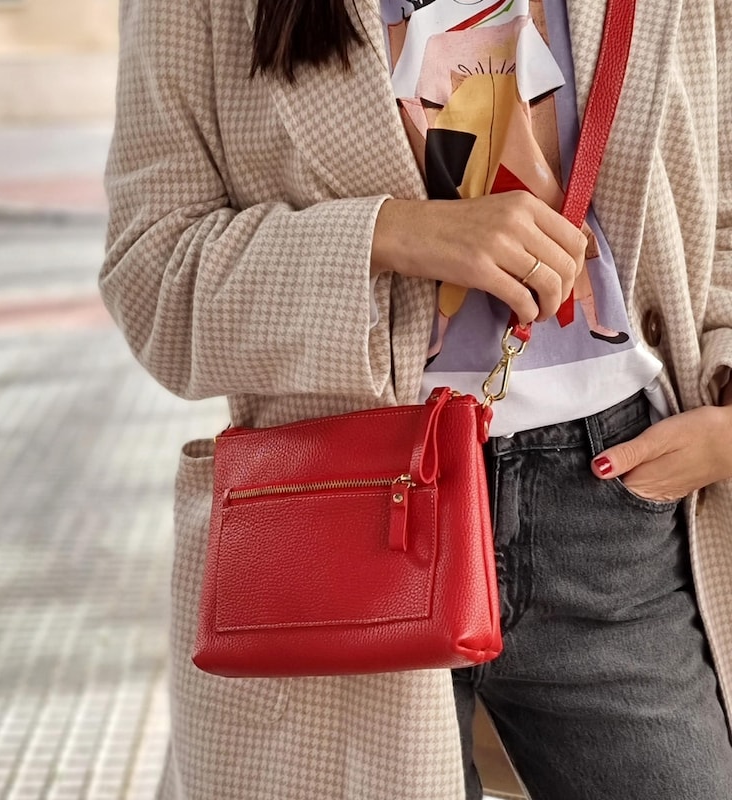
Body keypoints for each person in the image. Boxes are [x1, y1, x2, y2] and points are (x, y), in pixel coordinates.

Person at [99, 0, 732, 797]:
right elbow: (151, 272)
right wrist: (397, 234)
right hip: (349, 516)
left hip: (622, 503)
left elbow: (722, 206)